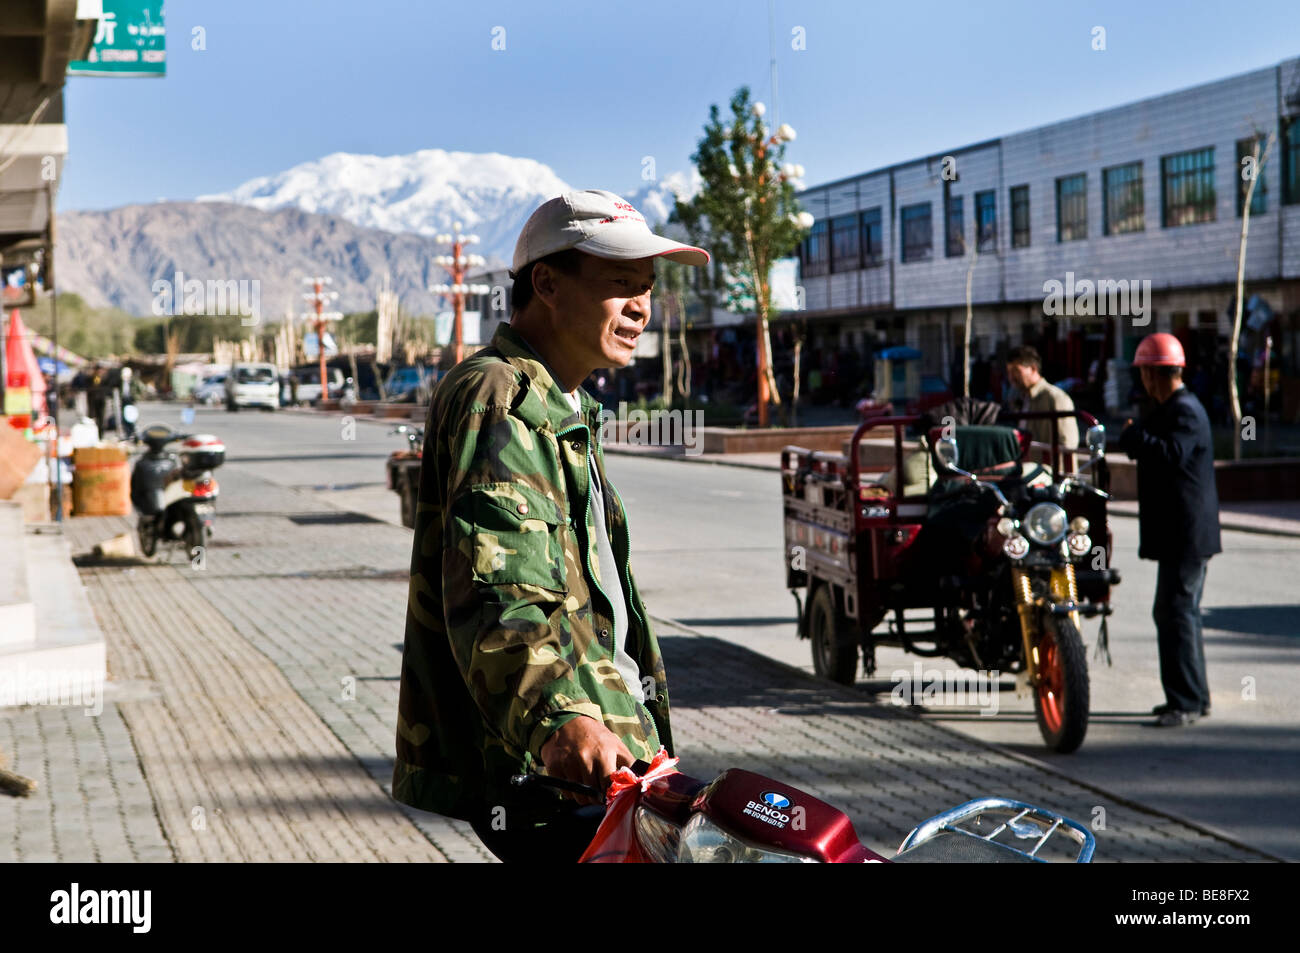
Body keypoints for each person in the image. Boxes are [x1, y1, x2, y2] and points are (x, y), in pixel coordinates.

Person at [391, 189, 709, 862]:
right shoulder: (501, 393)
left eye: (647, 287)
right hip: (560, 775)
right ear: (547, 283)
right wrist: (559, 718)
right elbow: (495, 589)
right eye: (621, 282)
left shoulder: (561, 402)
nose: (641, 305)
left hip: (616, 764)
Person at [1119, 333, 1221, 727]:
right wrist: (1136, 437)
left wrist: (1134, 438)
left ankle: (1186, 702)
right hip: (1181, 534)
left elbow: (1172, 454)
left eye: (1144, 372)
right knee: (1180, 613)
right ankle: (1194, 696)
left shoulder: (1186, 410)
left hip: (1187, 534)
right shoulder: (1171, 407)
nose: (1142, 381)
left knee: (1176, 612)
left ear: (1152, 373)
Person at [1005, 345, 1079, 449]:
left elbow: (1067, 444)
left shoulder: (1055, 398)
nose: (1011, 377)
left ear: (1033, 369)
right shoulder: (1020, 397)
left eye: (1016, 371)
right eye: (1009, 372)